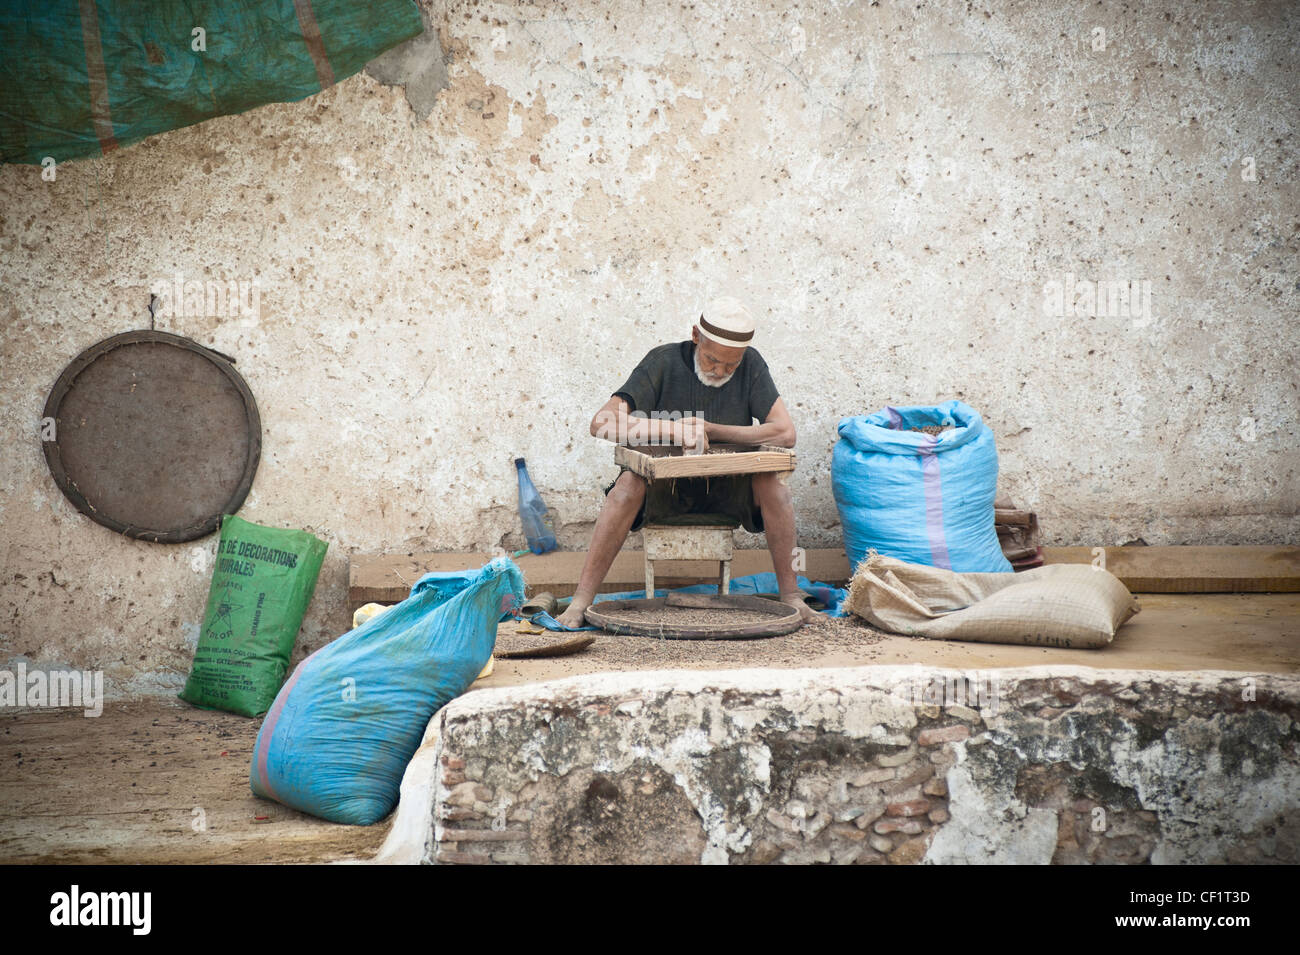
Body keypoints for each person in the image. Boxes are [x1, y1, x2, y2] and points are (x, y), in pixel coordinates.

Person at [554, 296, 822, 628]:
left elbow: (785, 433)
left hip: (728, 491)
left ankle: (792, 596)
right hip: (664, 491)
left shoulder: (752, 364)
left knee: (775, 486)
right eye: (711, 360)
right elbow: (602, 424)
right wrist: (673, 430)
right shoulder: (663, 361)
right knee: (626, 485)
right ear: (696, 336)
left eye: (730, 366)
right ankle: (581, 602)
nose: (719, 371)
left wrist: (713, 430)